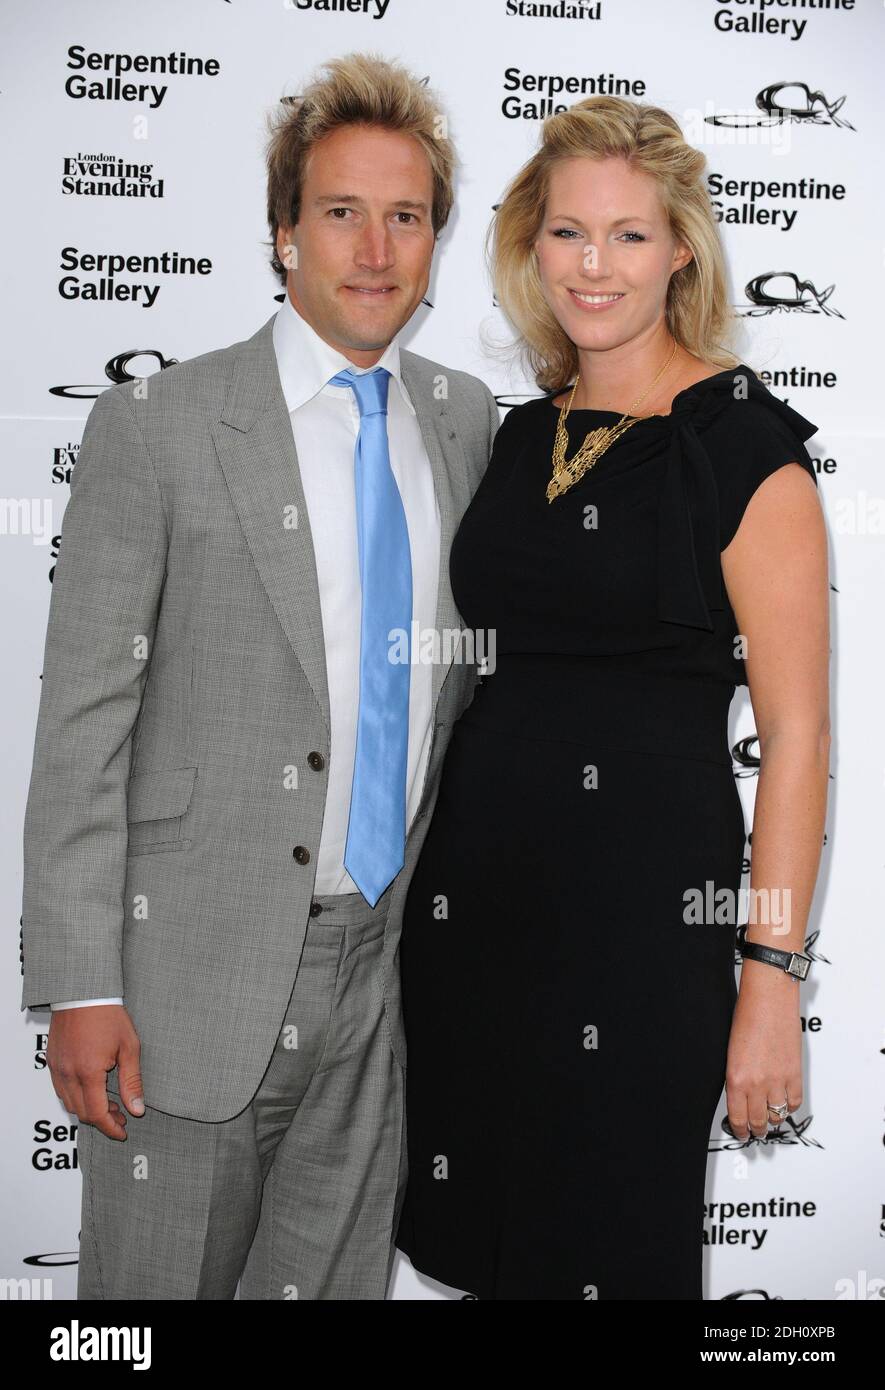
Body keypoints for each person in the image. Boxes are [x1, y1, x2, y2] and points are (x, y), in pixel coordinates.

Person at [20, 52, 498, 1300]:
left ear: (437, 241)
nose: (377, 247)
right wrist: (79, 982)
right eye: (341, 211)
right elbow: (82, 719)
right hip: (182, 986)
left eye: (407, 216)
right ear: (283, 232)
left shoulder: (462, 420)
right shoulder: (161, 426)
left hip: (378, 982)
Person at [394, 95, 830, 1300]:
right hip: (473, 913)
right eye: (570, 232)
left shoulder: (746, 450)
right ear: (530, 243)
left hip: (644, 930)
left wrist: (771, 980)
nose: (597, 266)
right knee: (481, 1248)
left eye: (630, 236)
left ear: (682, 246)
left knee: (614, 1250)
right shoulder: (518, 434)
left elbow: (796, 739)